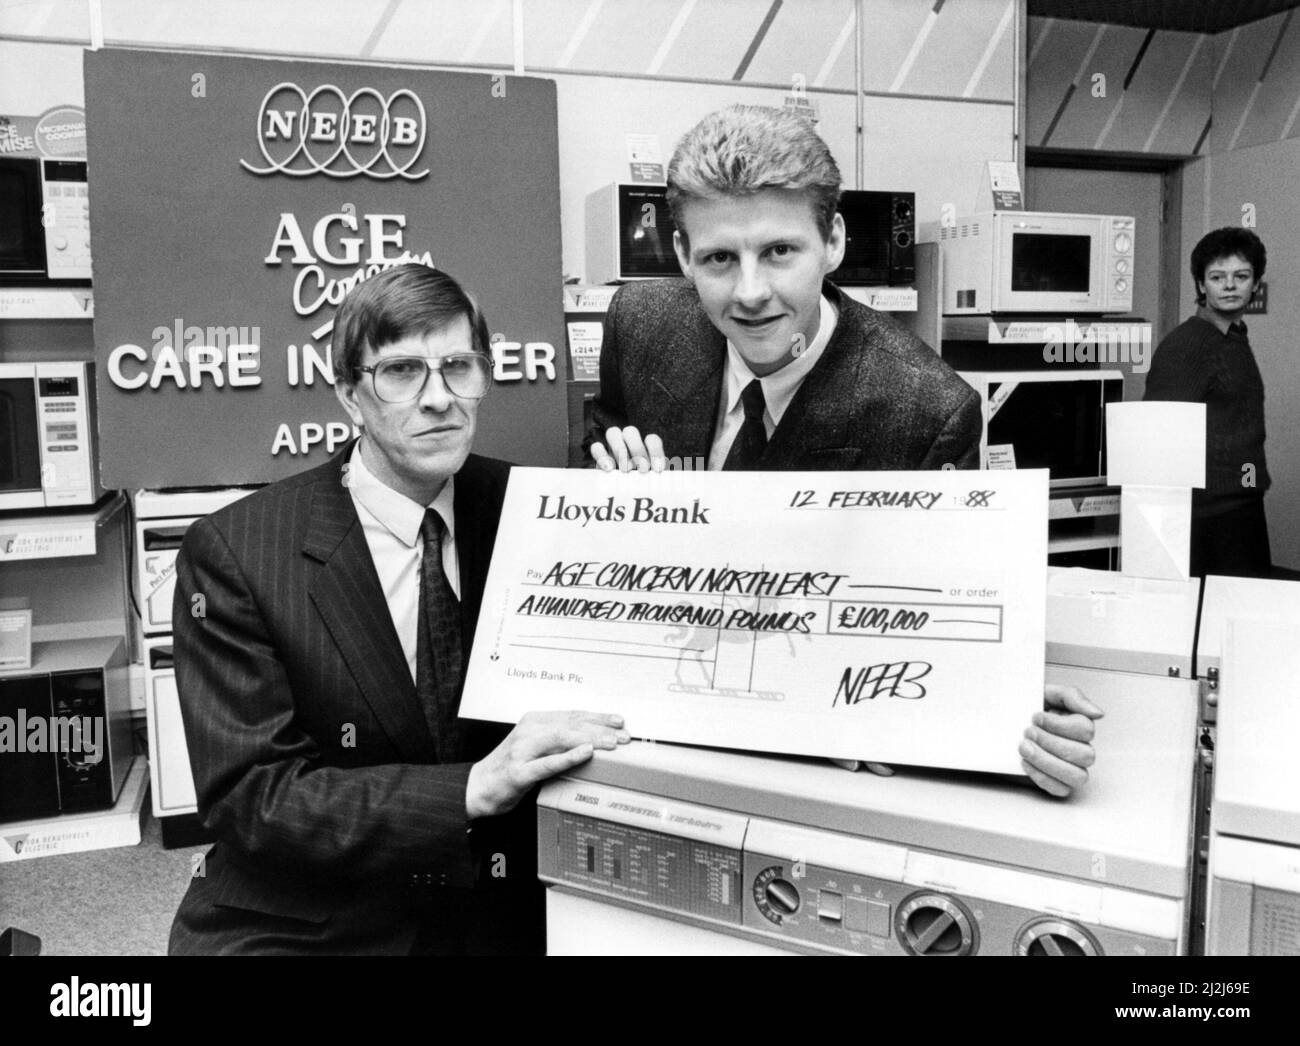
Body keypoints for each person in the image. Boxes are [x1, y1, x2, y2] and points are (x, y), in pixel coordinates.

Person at [587, 104, 1100, 798]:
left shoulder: (924, 410)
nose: (750, 293)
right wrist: (613, 516)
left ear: (831, 240)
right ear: (681, 255)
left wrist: (1003, 703)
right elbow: (583, 504)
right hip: (660, 728)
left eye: (779, 251)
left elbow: (944, 617)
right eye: (717, 258)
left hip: (810, 758)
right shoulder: (642, 325)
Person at [169, 265, 628, 955]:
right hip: (315, 915)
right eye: (403, 371)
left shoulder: (537, 512)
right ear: (351, 395)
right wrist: (473, 787)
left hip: (501, 901)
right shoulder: (239, 552)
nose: (439, 398)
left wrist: (646, 526)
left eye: (458, 366)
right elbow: (255, 798)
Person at [1144, 227, 1272, 578]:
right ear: (1201, 285)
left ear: (1255, 283)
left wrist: (1249, 488)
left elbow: (1242, 430)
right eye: (1217, 277)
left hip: (1241, 505)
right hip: (1205, 518)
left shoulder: (1232, 337)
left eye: (1241, 276)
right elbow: (1156, 437)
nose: (1230, 286)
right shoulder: (1189, 345)